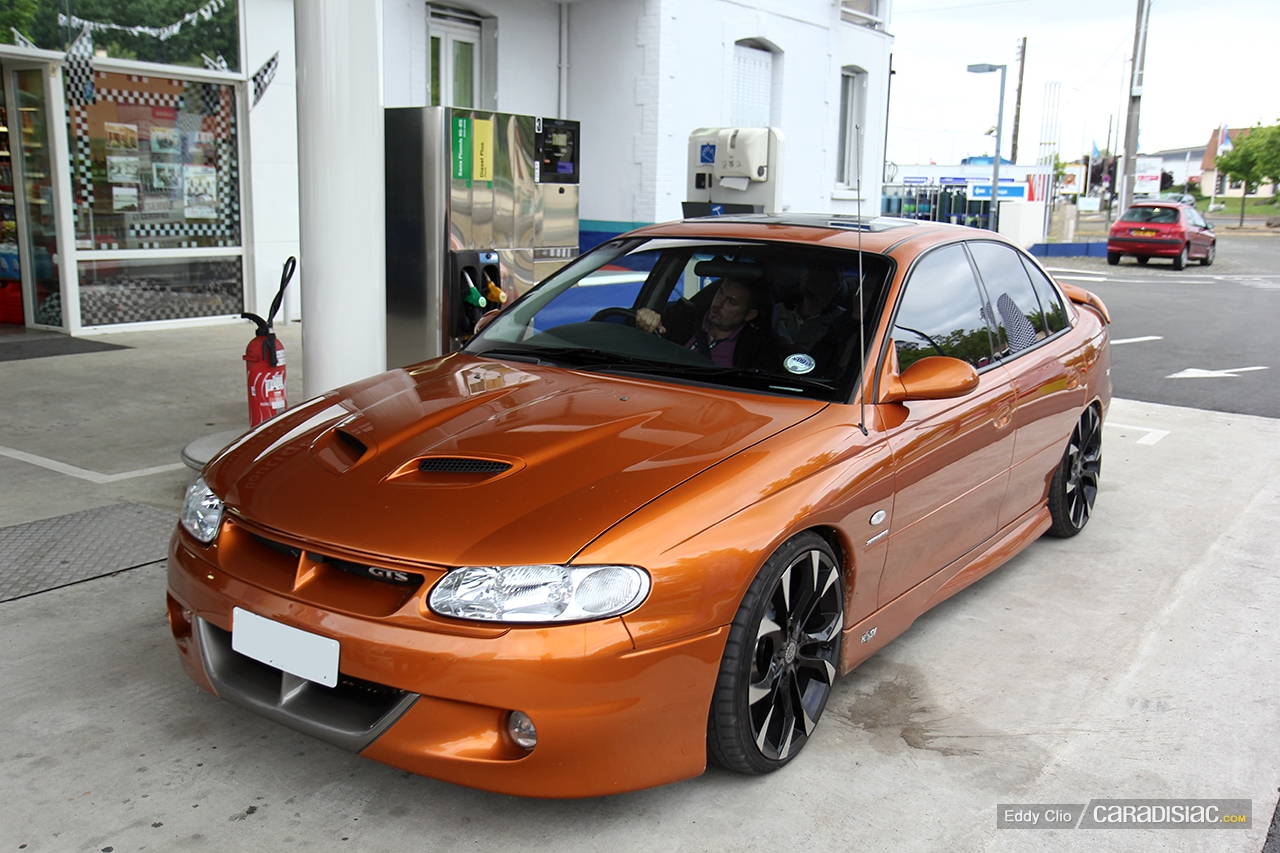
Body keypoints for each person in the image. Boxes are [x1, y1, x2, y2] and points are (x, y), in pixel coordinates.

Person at [635, 276, 775, 368]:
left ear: (750, 314)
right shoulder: (682, 316)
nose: (719, 304)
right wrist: (647, 319)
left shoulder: (756, 347)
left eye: (731, 302)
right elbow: (646, 346)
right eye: (720, 293)